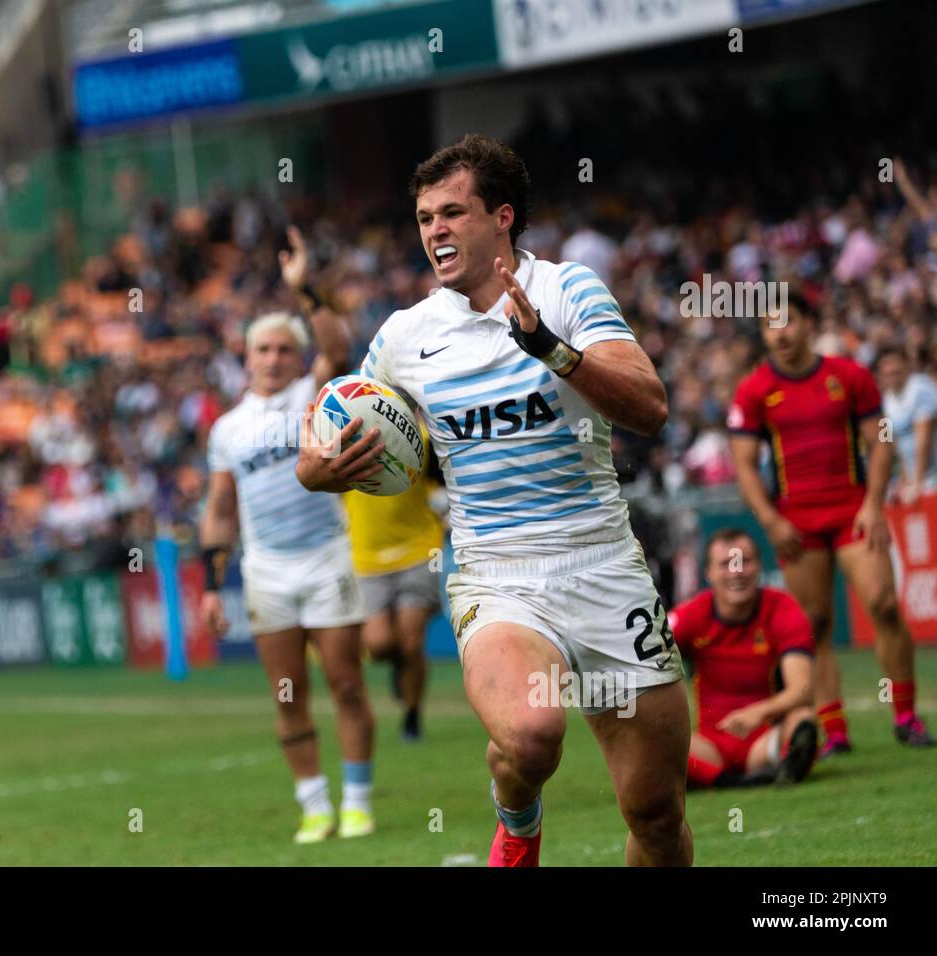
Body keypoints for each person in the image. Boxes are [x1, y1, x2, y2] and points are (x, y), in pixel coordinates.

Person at [296, 134, 691, 867]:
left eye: (452, 212)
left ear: (502, 217)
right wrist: (318, 470)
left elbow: (650, 407)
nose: (435, 231)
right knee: (534, 730)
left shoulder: (569, 291)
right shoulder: (405, 337)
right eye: (424, 218)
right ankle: (518, 818)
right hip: (497, 572)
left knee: (657, 813)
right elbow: (328, 430)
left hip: (604, 563)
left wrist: (552, 350)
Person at [199, 227, 378, 844]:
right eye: (264, 349)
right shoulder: (226, 429)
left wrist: (306, 288)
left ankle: (357, 800)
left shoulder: (317, 395)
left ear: (297, 359)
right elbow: (221, 509)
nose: (274, 358)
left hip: (327, 557)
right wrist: (211, 584)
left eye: (284, 349)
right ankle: (314, 806)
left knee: (346, 682)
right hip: (267, 571)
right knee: (287, 693)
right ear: (246, 358)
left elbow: (338, 344)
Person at [728, 294, 933, 755]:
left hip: (853, 511)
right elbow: (743, 465)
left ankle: (905, 715)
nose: (778, 333)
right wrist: (771, 520)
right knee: (815, 623)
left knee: (882, 602)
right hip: (797, 524)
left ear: (809, 324)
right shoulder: (754, 390)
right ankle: (835, 730)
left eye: (787, 322)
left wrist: (875, 504)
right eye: (768, 326)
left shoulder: (849, 376)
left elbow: (881, 439)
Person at [668, 528, 819, 788]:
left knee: (804, 721)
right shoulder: (691, 614)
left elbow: (802, 690)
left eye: (745, 561)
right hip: (710, 746)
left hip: (764, 740)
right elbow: (644, 657)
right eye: (725, 564)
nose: (736, 571)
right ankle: (728, 781)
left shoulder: (784, 609)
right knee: (656, 742)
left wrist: (758, 713)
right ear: (709, 573)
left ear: (759, 567)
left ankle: (778, 766)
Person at [343, 443, 446, 740]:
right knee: (377, 646)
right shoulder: (345, 437)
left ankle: (412, 716)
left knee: (412, 640)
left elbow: (443, 482)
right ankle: (401, 665)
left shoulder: (423, 437)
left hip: (418, 549)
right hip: (366, 555)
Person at [875, 347, 937, 503]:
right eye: (886, 365)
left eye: (894, 363)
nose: (891, 369)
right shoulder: (884, 401)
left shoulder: (921, 389)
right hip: (913, 476)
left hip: (931, 475)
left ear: (906, 365)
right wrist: (903, 480)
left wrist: (918, 482)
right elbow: (890, 444)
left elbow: (924, 440)